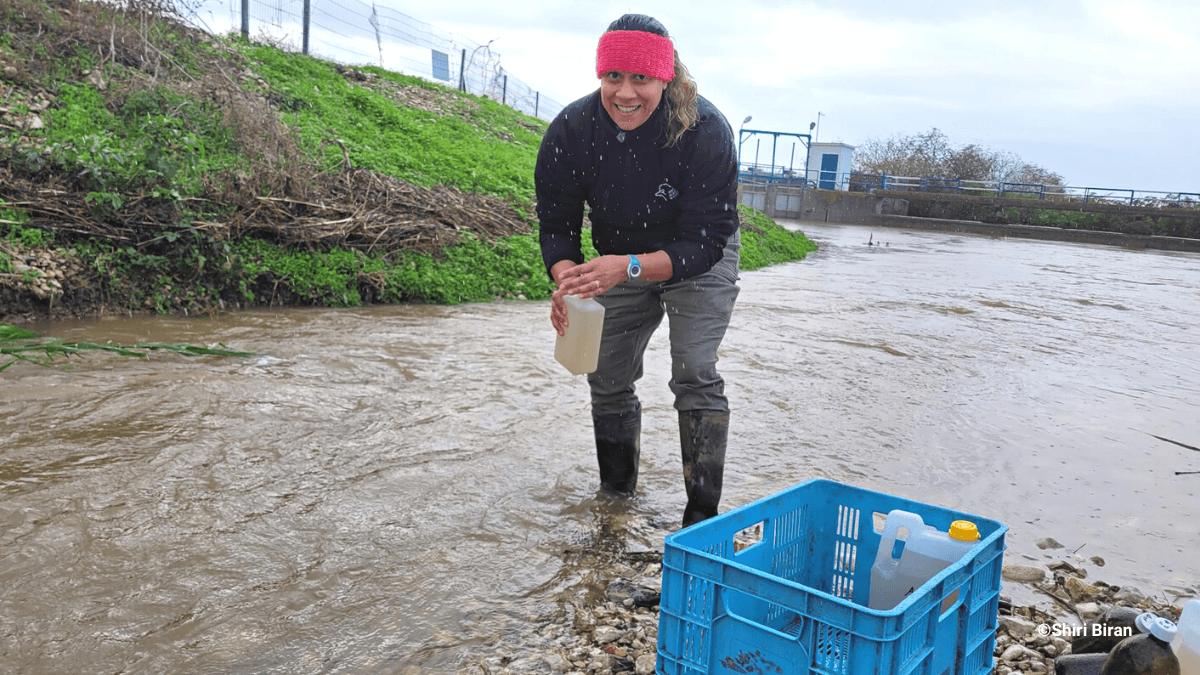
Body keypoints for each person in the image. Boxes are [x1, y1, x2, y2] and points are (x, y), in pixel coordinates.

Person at [535, 13, 741, 527]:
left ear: (666, 79)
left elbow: (707, 241)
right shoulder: (571, 130)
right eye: (613, 78)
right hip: (616, 255)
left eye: (641, 79)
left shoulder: (705, 130)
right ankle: (616, 503)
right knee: (604, 374)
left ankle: (699, 521)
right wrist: (568, 280)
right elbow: (557, 227)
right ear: (600, 76)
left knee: (694, 371)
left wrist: (628, 267)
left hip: (696, 255)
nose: (625, 94)